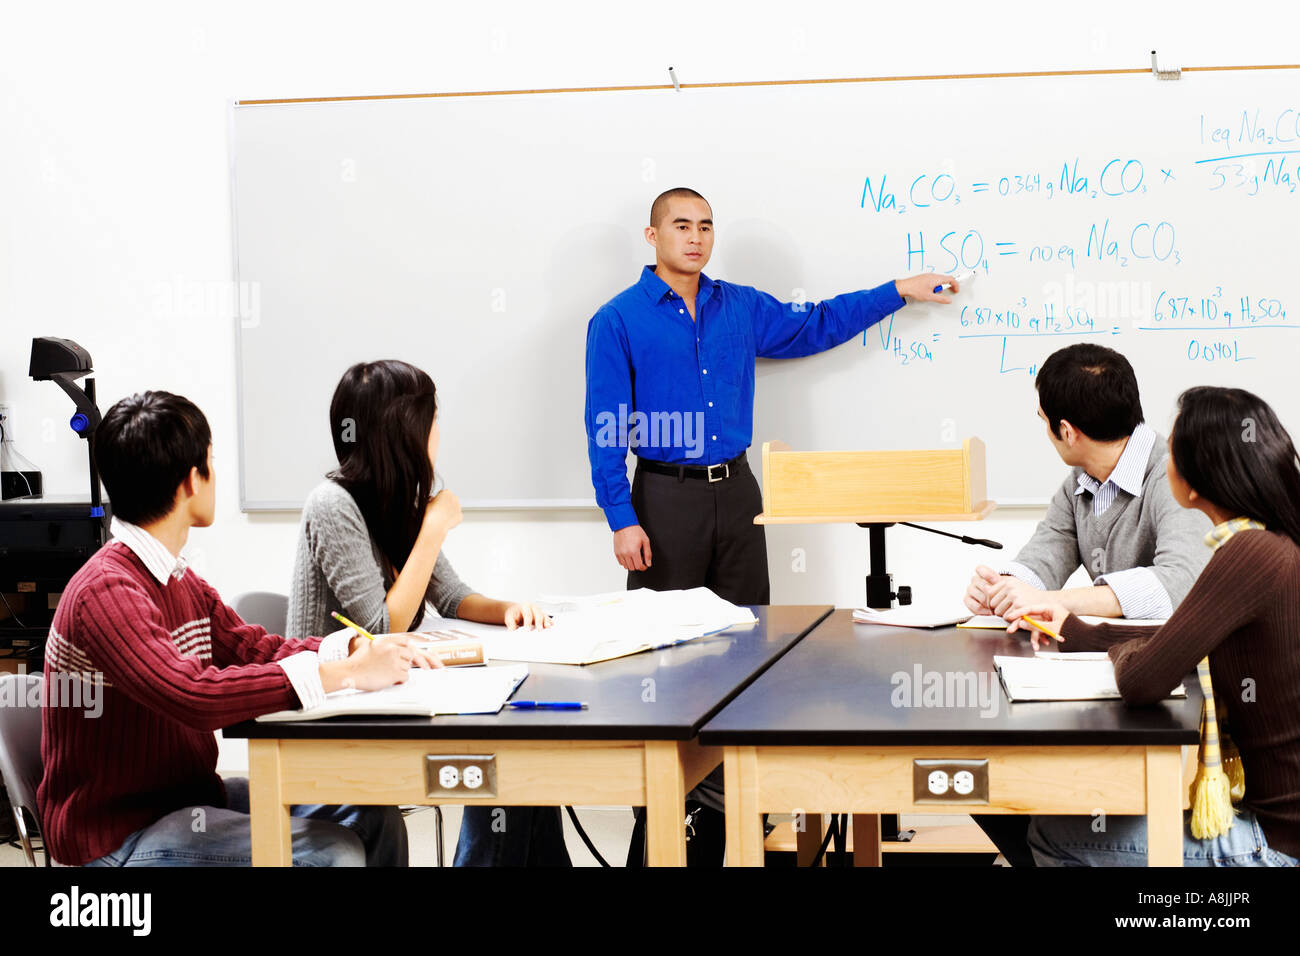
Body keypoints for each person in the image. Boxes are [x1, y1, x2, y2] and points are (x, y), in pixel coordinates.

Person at [584, 186, 957, 864]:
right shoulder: (617, 320)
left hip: (739, 489)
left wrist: (896, 291)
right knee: (666, 658)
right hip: (663, 499)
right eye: (680, 226)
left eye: (705, 227)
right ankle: (665, 821)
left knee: (746, 650)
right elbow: (605, 425)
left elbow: (816, 324)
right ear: (652, 236)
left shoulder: (742, 307)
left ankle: (737, 812)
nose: (695, 238)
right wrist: (621, 516)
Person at [40, 391, 420, 867]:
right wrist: (340, 677)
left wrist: (355, 649)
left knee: (372, 811)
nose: (214, 475)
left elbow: (253, 649)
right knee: (334, 853)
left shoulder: (176, 578)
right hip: (116, 837)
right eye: (211, 463)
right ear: (191, 481)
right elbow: (192, 695)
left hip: (185, 803)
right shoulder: (105, 592)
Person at [286, 359, 570, 866]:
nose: (439, 431)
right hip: (335, 717)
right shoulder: (332, 505)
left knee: (525, 760)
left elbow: (452, 594)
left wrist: (510, 610)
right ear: (404, 430)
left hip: (391, 696)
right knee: (504, 768)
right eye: (431, 418)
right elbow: (379, 628)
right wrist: (434, 526)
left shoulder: (398, 498)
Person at [1008, 386, 1300, 867]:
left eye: (1175, 447)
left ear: (1199, 477)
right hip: (1280, 826)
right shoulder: (1270, 542)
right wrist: (1080, 632)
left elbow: (1143, 679)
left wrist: (1122, 654)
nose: (1164, 453)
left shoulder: (1247, 555)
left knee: (1049, 829)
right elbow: (1184, 636)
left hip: (1276, 843)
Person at [963, 343, 1211, 865]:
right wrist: (1003, 587)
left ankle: (1059, 850)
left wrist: (1048, 599)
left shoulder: (1173, 474)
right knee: (980, 772)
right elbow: (1044, 554)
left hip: (1170, 689)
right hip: (1110, 675)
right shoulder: (1079, 482)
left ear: (1067, 430)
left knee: (1031, 791)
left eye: (1043, 421)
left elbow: (1178, 584)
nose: (1045, 430)